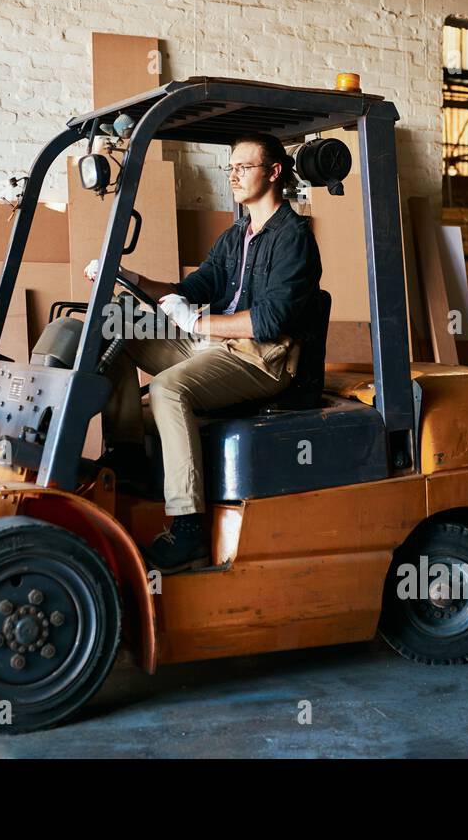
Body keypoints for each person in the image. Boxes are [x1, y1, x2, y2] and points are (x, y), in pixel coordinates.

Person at [84, 132, 322, 572]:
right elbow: (189, 291)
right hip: (213, 342)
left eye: (243, 167)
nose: (232, 175)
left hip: (261, 356)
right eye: (229, 167)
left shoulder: (293, 239)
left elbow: (269, 321)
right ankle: (129, 456)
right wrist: (129, 277)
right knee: (113, 327)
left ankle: (187, 526)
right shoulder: (235, 237)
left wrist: (196, 322)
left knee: (169, 390)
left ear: (273, 172)